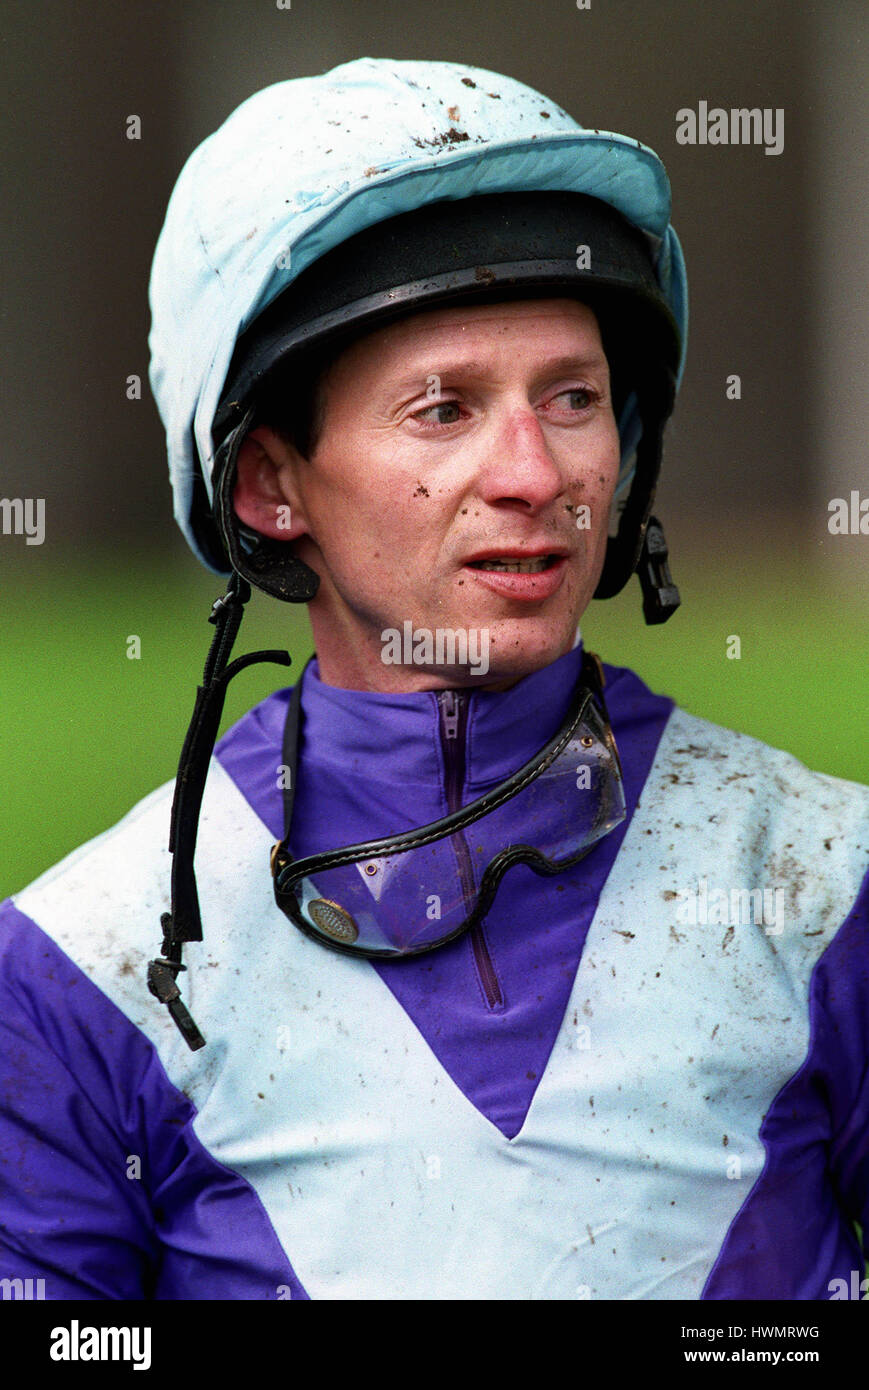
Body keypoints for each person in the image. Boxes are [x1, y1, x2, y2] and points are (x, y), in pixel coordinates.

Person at [1, 56, 867, 1303]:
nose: (532, 471)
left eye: (571, 396)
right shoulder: (82, 968)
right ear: (269, 486)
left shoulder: (828, 885)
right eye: (443, 408)